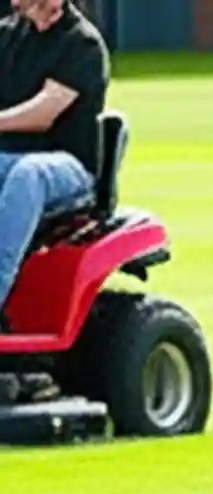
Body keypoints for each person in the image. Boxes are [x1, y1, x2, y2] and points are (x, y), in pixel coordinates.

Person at [0, 0, 108, 328]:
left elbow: (43, 113)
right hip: (10, 157)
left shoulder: (81, 43)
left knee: (29, 175)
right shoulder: (9, 36)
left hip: (67, 166)